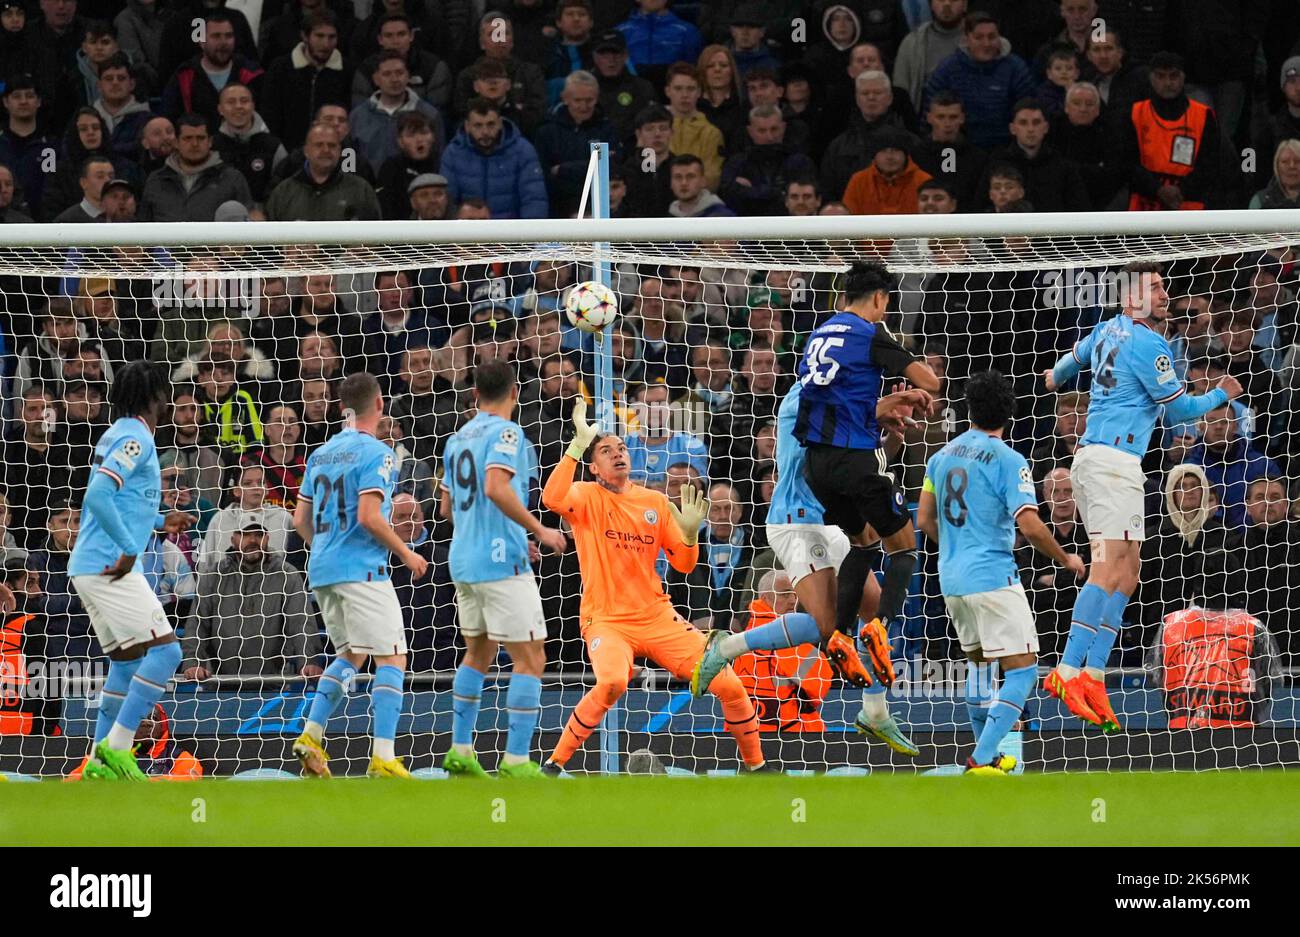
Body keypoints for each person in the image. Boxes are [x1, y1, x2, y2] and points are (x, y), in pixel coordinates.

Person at [1042, 261, 1243, 732]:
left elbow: (1064, 368)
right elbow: (1180, 417)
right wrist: (1221, 393)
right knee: (1108, 567)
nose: (1163, 293)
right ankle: (1067, 670)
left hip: (1113, 463)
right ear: (1131, 297)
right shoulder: (1148, 342)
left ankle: (1093, 673)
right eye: (1154, 287)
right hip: (1110, 462)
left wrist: (1053, 378)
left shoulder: (1105, 329)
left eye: (1162, 285)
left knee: (1129, 571)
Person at [693, 378, 927, 756]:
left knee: (874, 610)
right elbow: (829, 431)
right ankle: (727, 646)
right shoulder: (802, 397)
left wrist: (889, 430)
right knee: (826, 624)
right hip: (795, 519)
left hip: (833, 520)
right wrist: (884, 405)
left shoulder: (850, 397)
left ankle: (875, 710)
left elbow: (858, 457)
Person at [539, 398, 769, 773]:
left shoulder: (655, 502)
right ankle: (553, 764)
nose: (618, 455)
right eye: (606, 451)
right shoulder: (586, 495)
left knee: (728, 682)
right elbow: (551, 498)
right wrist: (577, 447)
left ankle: (757, 768)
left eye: (622, 448)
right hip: (607, 619)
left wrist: (692, 534)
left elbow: (683, 562)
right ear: (594, 467)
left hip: (658, 617)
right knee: (613, 680)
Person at [918, 371, 1085, 774]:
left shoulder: (940, 457)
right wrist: (1066, 560)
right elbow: (1028, 523)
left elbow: (924, 519)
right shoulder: (1010, 460)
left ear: (970, 410)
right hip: (993, 576)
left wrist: (959, 547)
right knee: (1023, 671)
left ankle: (990, 755)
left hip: (951, 579)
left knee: (979, 666)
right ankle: (980, 758)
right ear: (1008, 413)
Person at [792, 261, 940, 669]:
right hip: (857, 459)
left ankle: (838, 635)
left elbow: (834, 401)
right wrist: (910, 391)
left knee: (864, 540)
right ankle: (882, 626)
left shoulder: (818, 334)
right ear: (879, 298)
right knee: (905, 545)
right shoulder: (871, 332)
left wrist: (884, 405)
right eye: (886, 303)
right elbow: (930, 381)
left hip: (816, 465)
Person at [67, 361, 197, 781]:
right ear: (157, 398)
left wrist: (160, 522)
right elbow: (100, 496)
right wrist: (127, 548)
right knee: (167, 653)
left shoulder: (119, 432)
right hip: (112, 567)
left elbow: (122, 499)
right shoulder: (135, 436)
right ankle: (116, 750)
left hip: (90, 567)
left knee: (126, 664)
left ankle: (95, 765)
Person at [437, 360, 566, 778]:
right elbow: (495, 486)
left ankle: (460, 749)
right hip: (499, 563)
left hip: (463, 559)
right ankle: (515, 760)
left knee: (477, 654)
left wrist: (513, 533)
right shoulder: (508, 432)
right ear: (515, 393)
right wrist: (540, 530)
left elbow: (447, 508)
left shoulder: (457, 439)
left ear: (475, 394)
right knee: (531, 658)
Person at [182, 521, 318, 678]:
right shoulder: (214, 575)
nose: (253, 540)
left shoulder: (287, 574)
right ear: (233, 539)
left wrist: (309, 661)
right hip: (219, 682)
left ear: (267, 539)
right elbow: (197, 623)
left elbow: (301, 622)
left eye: (259, 535)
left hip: (273, 681)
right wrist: (192, 663)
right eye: (245, 534)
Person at [438, 96, 547, 220]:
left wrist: (526, 237)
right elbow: (448, 202)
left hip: (510, 233)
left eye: (491, 124)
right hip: (468, 231)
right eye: (478, 125)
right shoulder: (453, 153)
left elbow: (534, 200)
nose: (485, 132)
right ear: (467, 126)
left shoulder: (523, 151)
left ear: (500, 123)